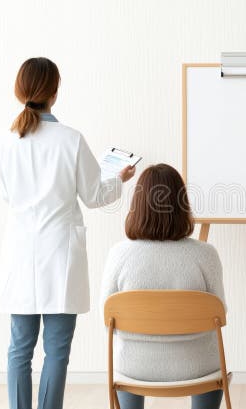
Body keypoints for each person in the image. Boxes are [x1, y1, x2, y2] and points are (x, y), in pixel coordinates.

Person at [0, 57, 136, 409]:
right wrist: (118, 179)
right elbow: (93, 195)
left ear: (21, 90)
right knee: (56, 350)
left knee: (19, 347)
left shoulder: (6, 142)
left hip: (21, 252)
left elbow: (8, 195)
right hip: (60, 254)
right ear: (54, 93)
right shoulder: (70, 140)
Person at [100, 163, 226, 409]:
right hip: (197, 366)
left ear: (137, 205)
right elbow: (220, 316)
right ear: (182, 205)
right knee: (211, 355)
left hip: (134, 368)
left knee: (127, 361)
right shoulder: (206, 254)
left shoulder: (119, 254)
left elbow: (108, 320)